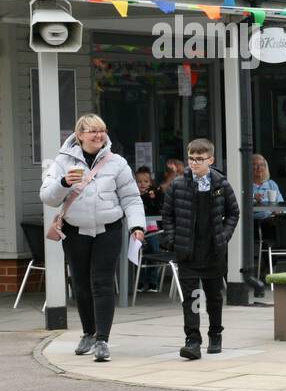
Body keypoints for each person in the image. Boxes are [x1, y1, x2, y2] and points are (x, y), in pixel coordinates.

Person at [39, 114, 146, 362]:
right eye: (92, 131)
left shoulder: (116, 162)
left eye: (102, 130)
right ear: (79, 135)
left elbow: (131, 198)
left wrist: (137, 226)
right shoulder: (62, 161)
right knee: (81, 284)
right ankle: (88, 332)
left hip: (108, 230)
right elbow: (48, 197)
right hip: (76, 232)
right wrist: (64, 182)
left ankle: (102, 340)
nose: (98, 135)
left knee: (102, 283)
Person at [161, 138, 240, 360]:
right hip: (188, 251)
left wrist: (224, 236)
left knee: (214, 297)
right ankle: (193, 340)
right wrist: (173, 238)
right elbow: (167, 215)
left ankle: (216, 333)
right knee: (192, 297)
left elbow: (234, 212)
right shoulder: (178, 184)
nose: (194, 163)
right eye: (191, 159)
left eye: (199, 159)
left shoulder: (220, 184)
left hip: (213, 250)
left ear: (211, 160)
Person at [250, 153, 284, 221]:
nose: (259, 168)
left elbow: (281, 203)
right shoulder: (245, 185)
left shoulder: (271, 184)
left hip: (273, 221)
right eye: (255, 165)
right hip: (254, 222)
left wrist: (279, 211)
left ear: (266, 168)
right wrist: (253, 196)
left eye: (262, 165)